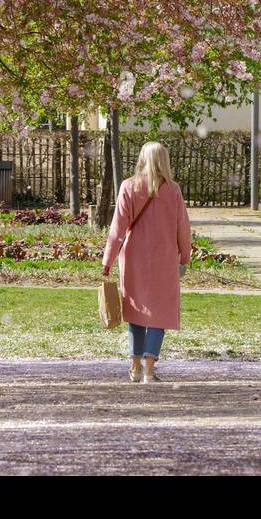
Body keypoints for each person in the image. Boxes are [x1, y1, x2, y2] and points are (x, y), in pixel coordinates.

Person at [102, 140, 192, 383]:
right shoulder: (173, 190)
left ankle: (134, 367)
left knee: (136, 311)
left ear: (142, 159)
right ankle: (150, 371)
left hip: (133, 258)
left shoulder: (129, 186)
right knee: (159, 313)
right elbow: (183, 227)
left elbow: (117, 228)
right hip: (164, 258)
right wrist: (185, 256)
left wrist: (107, 260)